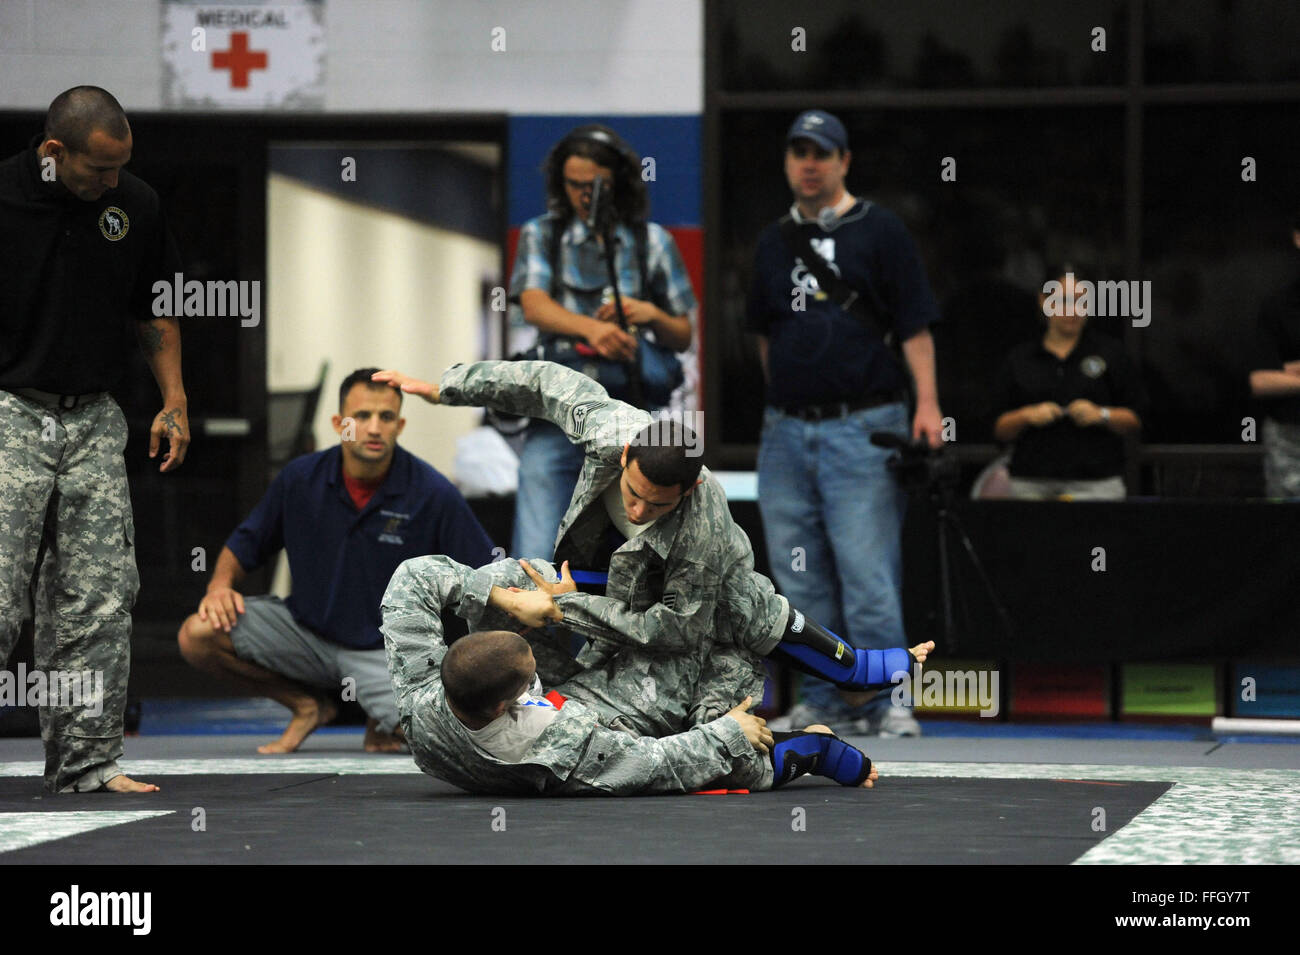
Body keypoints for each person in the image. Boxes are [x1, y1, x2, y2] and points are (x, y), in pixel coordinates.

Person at [373, 361, 929, 724]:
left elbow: (673, 628)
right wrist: (448, 388)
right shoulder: (609, 426)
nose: (637, 510)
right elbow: (541, 384)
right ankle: (517, 696)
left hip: (691, 596)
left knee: (754, 616)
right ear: (623, 459)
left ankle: (863, 670)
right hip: (604, 569)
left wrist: (569, 611)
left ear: (687, 490)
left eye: (655, 505)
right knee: (515, 583)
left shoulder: (701, 525)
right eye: (633, 495)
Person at [0, 87, 188, 794]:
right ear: (54, 153)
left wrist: (174, 398)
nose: (112, 181)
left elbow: (155, 308)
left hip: (94, 418)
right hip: (9, 411)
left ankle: (86, 760)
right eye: (97, 169)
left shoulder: (133, 203)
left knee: (99, 595)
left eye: (120, 167)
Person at [745, 110, 943, 736]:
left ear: (844, 161)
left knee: (867, 573)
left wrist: (928, 406)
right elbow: (765, 336)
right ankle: (828, 701)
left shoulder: (880, 230)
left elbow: (914, 326)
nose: (810, 163)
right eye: (799, 152)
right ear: (787, 162)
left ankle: (891, 699)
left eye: (822, 153)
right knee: (799, 579)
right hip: (786, 431)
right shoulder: (773, 241)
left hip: (863, 427)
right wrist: (786, 397)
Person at [382, 553, 888, 796]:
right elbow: (653, 764)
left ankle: (586, 598)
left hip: (558, 696)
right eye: (528, 675)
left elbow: (412, 577)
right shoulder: (554, 741)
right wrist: (723, 733)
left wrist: (505, 601)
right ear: (507, 706)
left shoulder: (421, 691)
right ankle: (808, 747)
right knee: (734, 756)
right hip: (603, 726)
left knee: (511, 579)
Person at [176, 368, 495, 753]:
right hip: (305, 635)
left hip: (385, 653)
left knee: (449, 740)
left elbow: (483, 575)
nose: (374, 428)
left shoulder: (432, 492)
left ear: (400, 425)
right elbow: (246, 544)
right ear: (339, 424)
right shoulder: (300, 479)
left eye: (386, 417)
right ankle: (307, 706)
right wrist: (218, 586)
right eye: (361, 417)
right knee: (198, 634)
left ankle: (385, 719)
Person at [507, 124, 696, 561]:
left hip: (629, 420)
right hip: (556, 418)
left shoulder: (651, 242)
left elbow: (682, 334)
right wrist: (592, 330)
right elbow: (533, 305)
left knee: (631, 552)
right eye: (574, 185)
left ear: (619, 184)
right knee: (536, 549)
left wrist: (647, 314)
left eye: (596, 185)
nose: (585, 195)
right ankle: (530, 630)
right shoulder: (543, 235)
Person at [992, 267, 1147, 500]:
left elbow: (1137, 418)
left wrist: (1102, 415)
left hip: (1097, 484)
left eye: (1081, 301)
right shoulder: (1020, 359)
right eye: (1064, 301)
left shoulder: (1111, 354)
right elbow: (997, 428)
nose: (1073, 310)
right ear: (1044, 301)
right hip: (1030, 483)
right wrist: (1026, 416)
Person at [1248, 214, 1300, 498]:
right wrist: (1278, 374)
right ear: (1297, 238)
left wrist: (1288, 370)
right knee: (1286, 530)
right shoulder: (1277, 306)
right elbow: (1261, 381)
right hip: (1289, 443)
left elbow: (1276, 373)